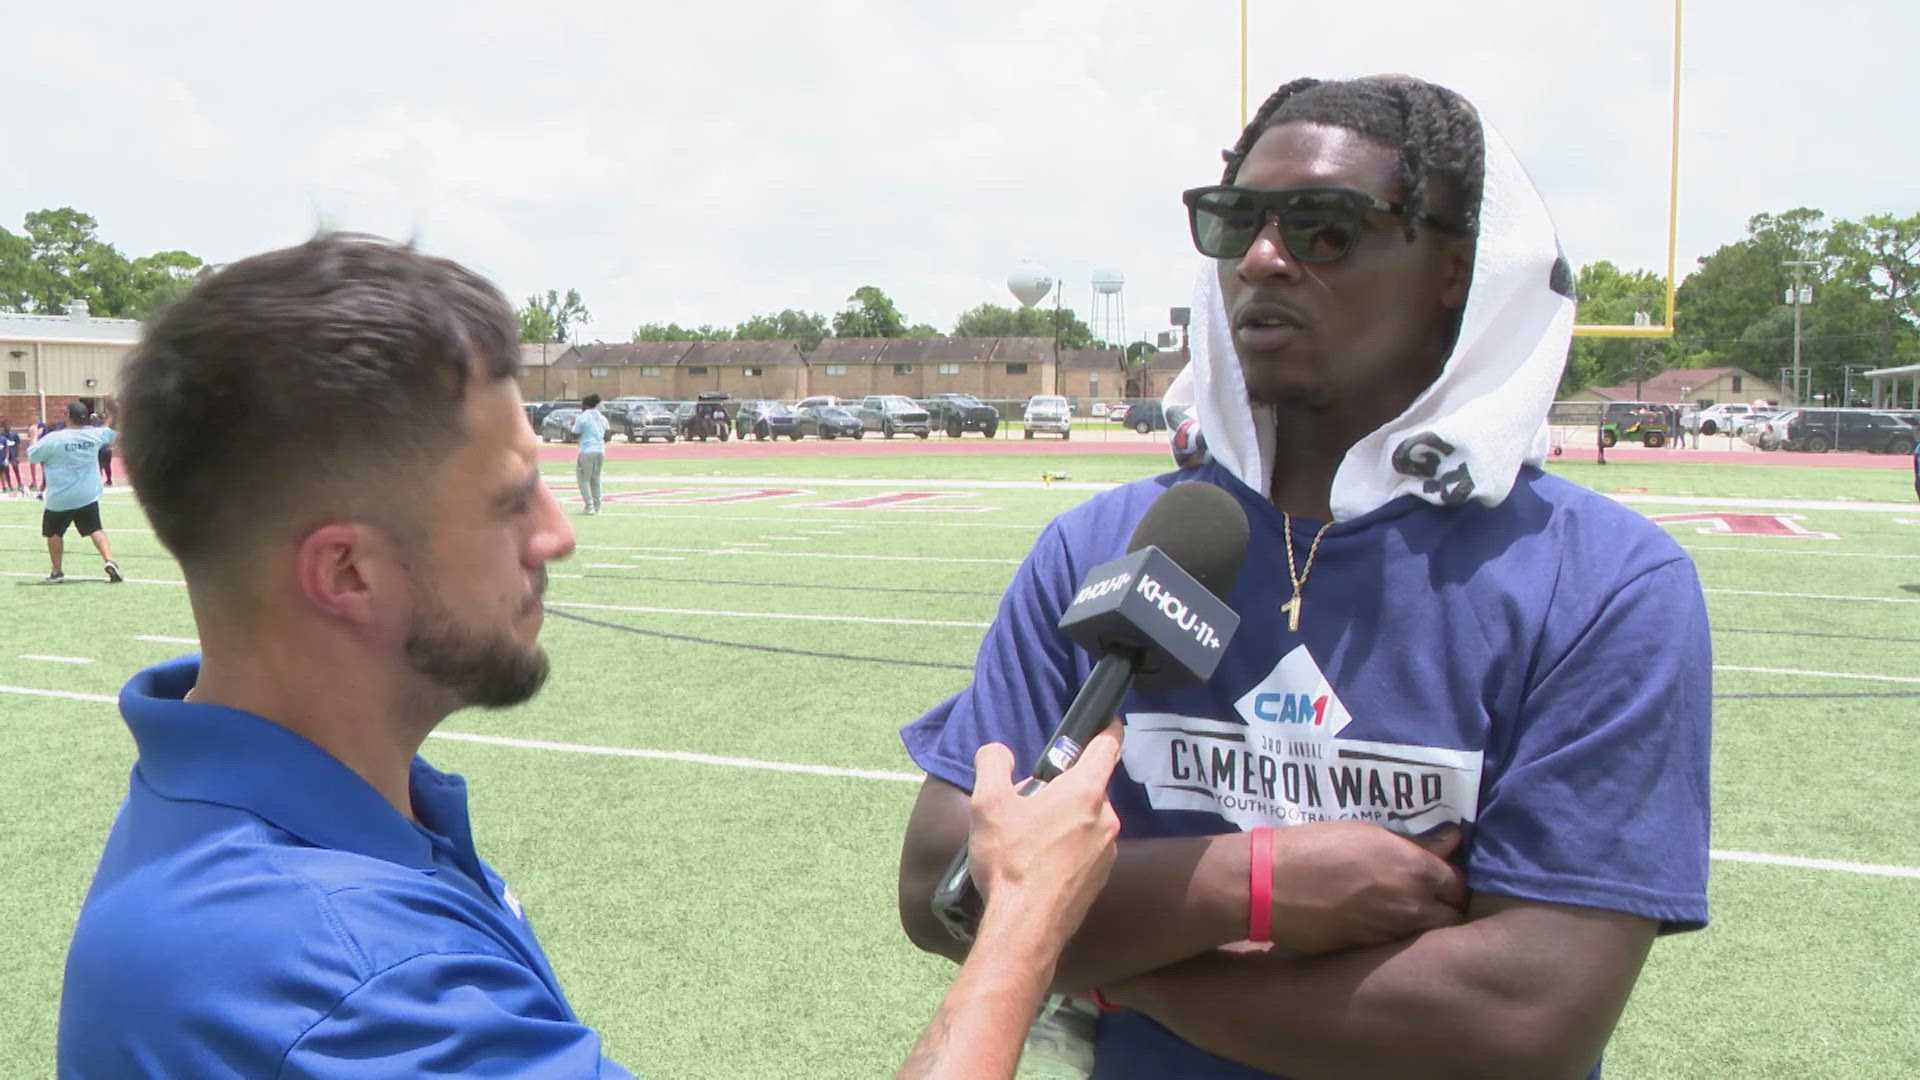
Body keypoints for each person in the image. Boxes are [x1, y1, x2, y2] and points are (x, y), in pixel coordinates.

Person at [59, 233, 1123, 1080]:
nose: (556, 534)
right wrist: (1023, 923)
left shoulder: (242, 809)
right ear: (346, 575)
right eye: (511, 498)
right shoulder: (338, 971)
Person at [897, 75, 1711, 1080]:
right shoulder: (1104, 543)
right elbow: (941, 883)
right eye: (1239, 223)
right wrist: (1259, 883)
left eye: (1329, 229)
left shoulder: (1604, 584)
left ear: (1457, 268)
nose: (1267, 260)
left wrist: (1090, 963)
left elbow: (1524, 1017)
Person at [25, 401, 122, 584]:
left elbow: (33, 456)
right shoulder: (93, 435)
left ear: (68, 415)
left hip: (60, 496)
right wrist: (113, 414)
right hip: (86, 495)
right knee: (95, 529)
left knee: (54, 533)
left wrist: (33, 437)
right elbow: (110, 433)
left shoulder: (54, 438)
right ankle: (110, 560)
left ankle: (57, 572)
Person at [572, 392, 610, 514]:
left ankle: (589, 506)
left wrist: (572, 425)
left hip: (587, 451)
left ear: (586, 405)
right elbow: (608, 436)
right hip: (600, 450)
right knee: (596, 478)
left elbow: (574, 434)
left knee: (583, 479)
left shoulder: (582, 417)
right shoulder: (602, 418)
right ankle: (597, 506)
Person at [92, 411, 116, 484]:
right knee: (107, 465)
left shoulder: (95, 430)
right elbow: (114, 436)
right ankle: (109, 480)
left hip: (100, 449)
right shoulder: (108, 429)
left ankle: (99, 481)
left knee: (99, 465)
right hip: (108, 449)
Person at [0, 420, 21, 495]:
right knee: (6, 471)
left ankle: (19, 485)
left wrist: (18, 456)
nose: (7, 427)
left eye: (8, 426)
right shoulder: (2, 437)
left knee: (16, 470)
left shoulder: (14, 435)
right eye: (5, 426)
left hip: (13, 455)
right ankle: (9, 485)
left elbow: (18, 445)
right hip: (4, 456)